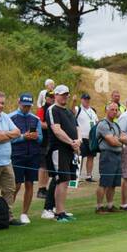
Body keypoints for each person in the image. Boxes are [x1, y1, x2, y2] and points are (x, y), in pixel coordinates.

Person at [42, 85, 80, 222]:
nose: (65, 96)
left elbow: (77, 127)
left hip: (70, 149)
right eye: (62, 94)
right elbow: (56, 130)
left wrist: (78, 141)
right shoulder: (53, 110)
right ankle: (58, 212)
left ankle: (61, 210)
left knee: (66, 180)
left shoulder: (69, 112)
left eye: (66, 94)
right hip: (58, 149)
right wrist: (71, 142)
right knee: (61, 180)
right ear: (56, 95)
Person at [9, 93, 43, 223]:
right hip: (17, 155)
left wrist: (35, 136)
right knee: (15, 185)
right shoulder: (10, 117)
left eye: (28, 106)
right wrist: (24, 137)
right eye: (24, 106)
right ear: (19, 102)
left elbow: (40, 138)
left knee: (29, 184)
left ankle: (24, 213)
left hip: (32, 155)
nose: (26, 108)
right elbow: (9, 139)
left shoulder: (35, 119)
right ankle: (8, 212)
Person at [94, 102, 124, 213]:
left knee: (113, 182)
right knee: (105, 182)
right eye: (112, 109)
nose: (114, 112)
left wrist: (118, 140)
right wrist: (120, 142)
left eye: (116, 110)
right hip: (107, 155)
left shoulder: (116, 125)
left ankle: (110, 205)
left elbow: (123, 137)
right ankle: (99, 206)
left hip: (117, 155)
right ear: (106, 110)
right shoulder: (103, 124)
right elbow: (112, 141)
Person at [75, 92, 99, 183]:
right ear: (81, 100)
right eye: (85, 99)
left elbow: (96, 121)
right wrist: (73, 101)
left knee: (91, 157)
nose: (86, 101)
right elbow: (72, 111)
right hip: (82, 137)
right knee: (79, 156)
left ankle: (89, 176)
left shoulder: (92, 111)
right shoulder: (78, 109)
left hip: (91, 138)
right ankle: (77, 176)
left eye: (88, 99)